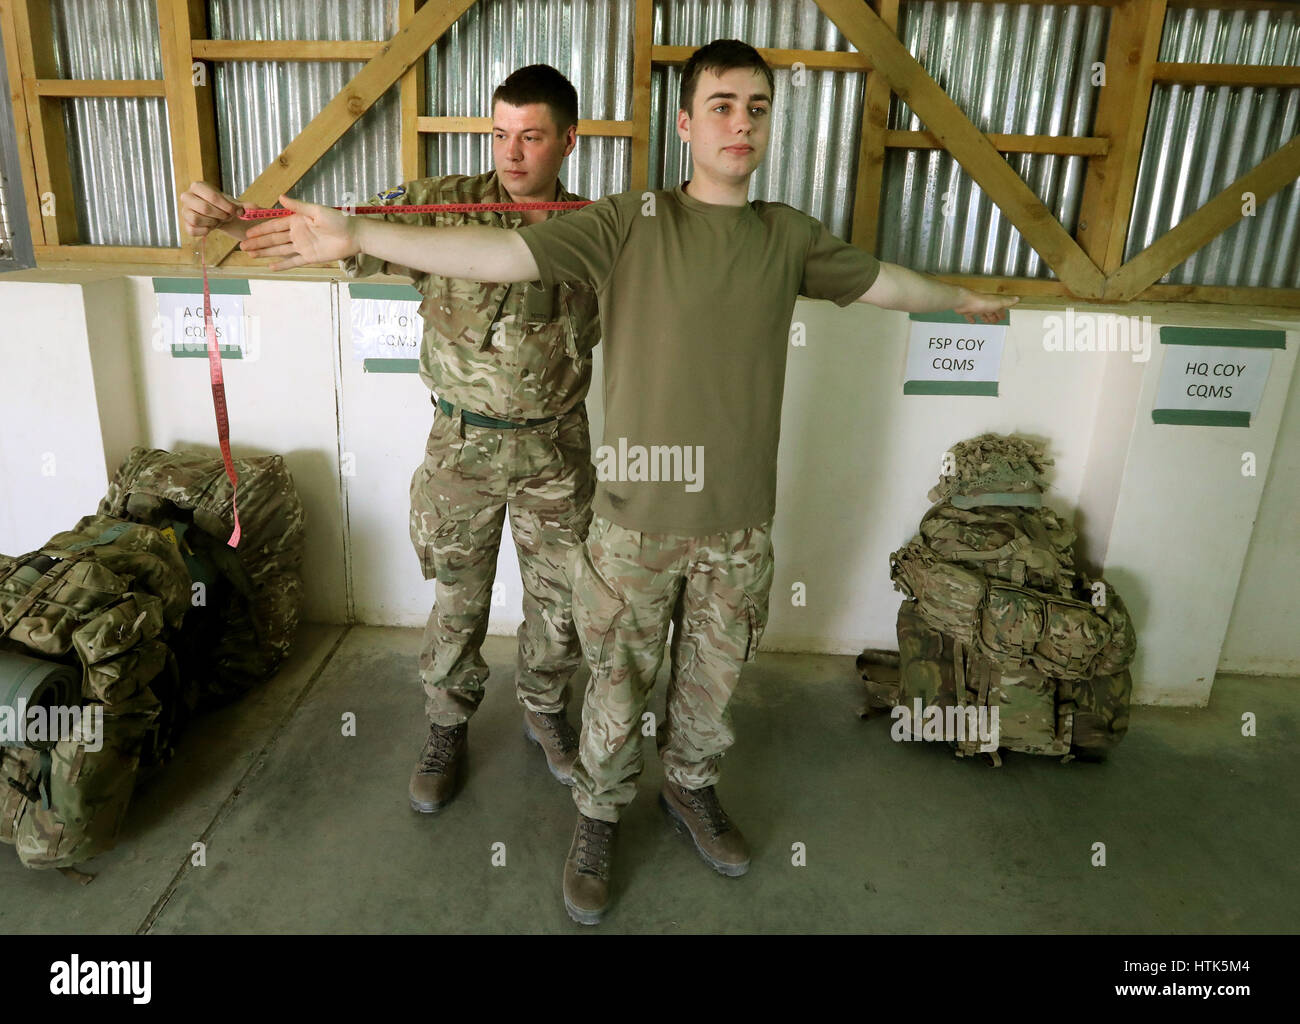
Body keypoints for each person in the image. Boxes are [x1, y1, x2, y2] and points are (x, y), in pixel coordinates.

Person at [240, 39, 1018, 925]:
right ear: (685, 124)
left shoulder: (787, 235)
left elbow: (881, 283)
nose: (741, 123)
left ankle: (690, 790)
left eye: (757, 108)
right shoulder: (626, 222)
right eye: (721, 106)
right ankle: (599, 815)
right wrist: (358, 232)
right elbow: (499, 256)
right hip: (633, 522)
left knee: (712, 686)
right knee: (613, 684)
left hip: (737, 525)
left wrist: (959, 299)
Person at [182, 64, 602, 815]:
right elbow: (326, 230)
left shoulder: (601, 228)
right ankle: (447, 723)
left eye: (531, 137)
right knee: (458, 600)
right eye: (500, 135)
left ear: (568, 140)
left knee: (563, 603)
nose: (511, 154)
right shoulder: (445, 209)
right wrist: (230, 218)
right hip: (463, 450)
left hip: (556, 452)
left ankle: (545, 712)